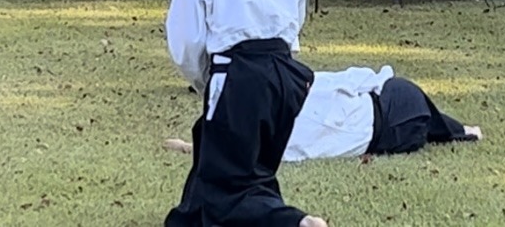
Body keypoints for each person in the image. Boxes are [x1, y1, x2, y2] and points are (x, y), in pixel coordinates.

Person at [163, 0, 327, 227]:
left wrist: (206, 81)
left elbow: (186, 39)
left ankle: (292, 222)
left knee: (232, 186)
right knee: (241, 164)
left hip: (237, 72)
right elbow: (295, 16)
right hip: (286, 73)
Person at [164, 66, 483, 162]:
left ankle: (459, 130)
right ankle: (460, 131)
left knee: (414, 106)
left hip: (380, 116)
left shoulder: (274, 136)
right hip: (388, 118)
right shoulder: (290, 113)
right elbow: (348, 80)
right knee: (416, 105)